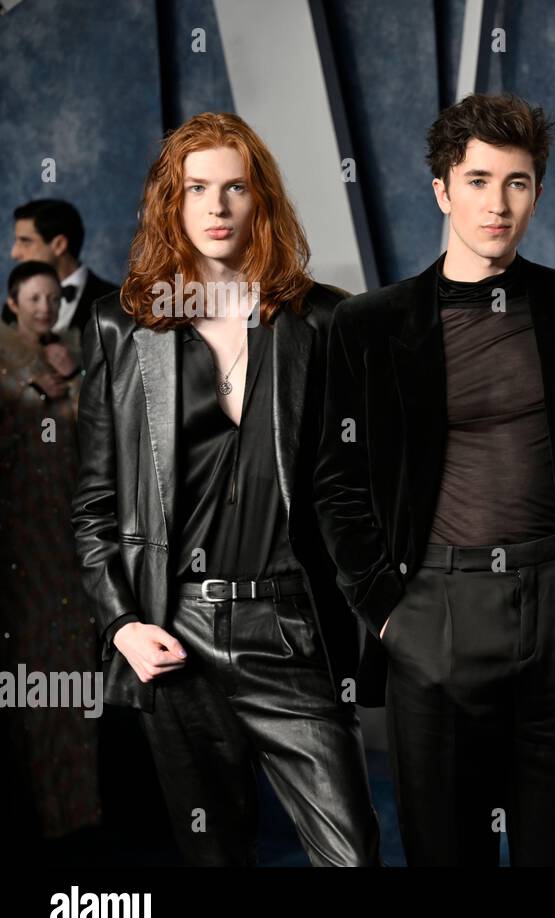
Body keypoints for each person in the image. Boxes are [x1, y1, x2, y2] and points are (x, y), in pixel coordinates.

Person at [315, 93, 555, 866]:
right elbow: (336, 483)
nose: (498, 203)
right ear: (443, 190)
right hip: (436, 610)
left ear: (538, 193)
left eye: (517, 183)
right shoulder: (370, 324)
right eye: (478, 181)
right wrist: (389, 615)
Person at [71, 111, 380, 866]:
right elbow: (92, 506)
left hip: (290, 627)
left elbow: (359, 486)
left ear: (259, 199)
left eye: (234, 188)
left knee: (353, 853)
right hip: (179, 633)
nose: (216, 207)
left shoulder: (322, 320)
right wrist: (120, 625)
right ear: (171, 204)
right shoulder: (122, 327)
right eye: (196, 188)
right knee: (216, 857)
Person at [0, 261, 100, 845]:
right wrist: (33, 395)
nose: (44, 306)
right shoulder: (4, 360)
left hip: (71, 533)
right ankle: (41, 814)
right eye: (32, 297)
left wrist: (77, 379)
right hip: (20, 539)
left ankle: (79, 814)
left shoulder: (73, 351)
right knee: (33, 675)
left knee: (76, 673)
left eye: (51, 297)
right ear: (12, 303)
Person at [8, 199, 117, 334]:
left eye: (25, 241)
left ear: (59, 245)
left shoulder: (116, 303)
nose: (14, 253)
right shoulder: (15, 303)